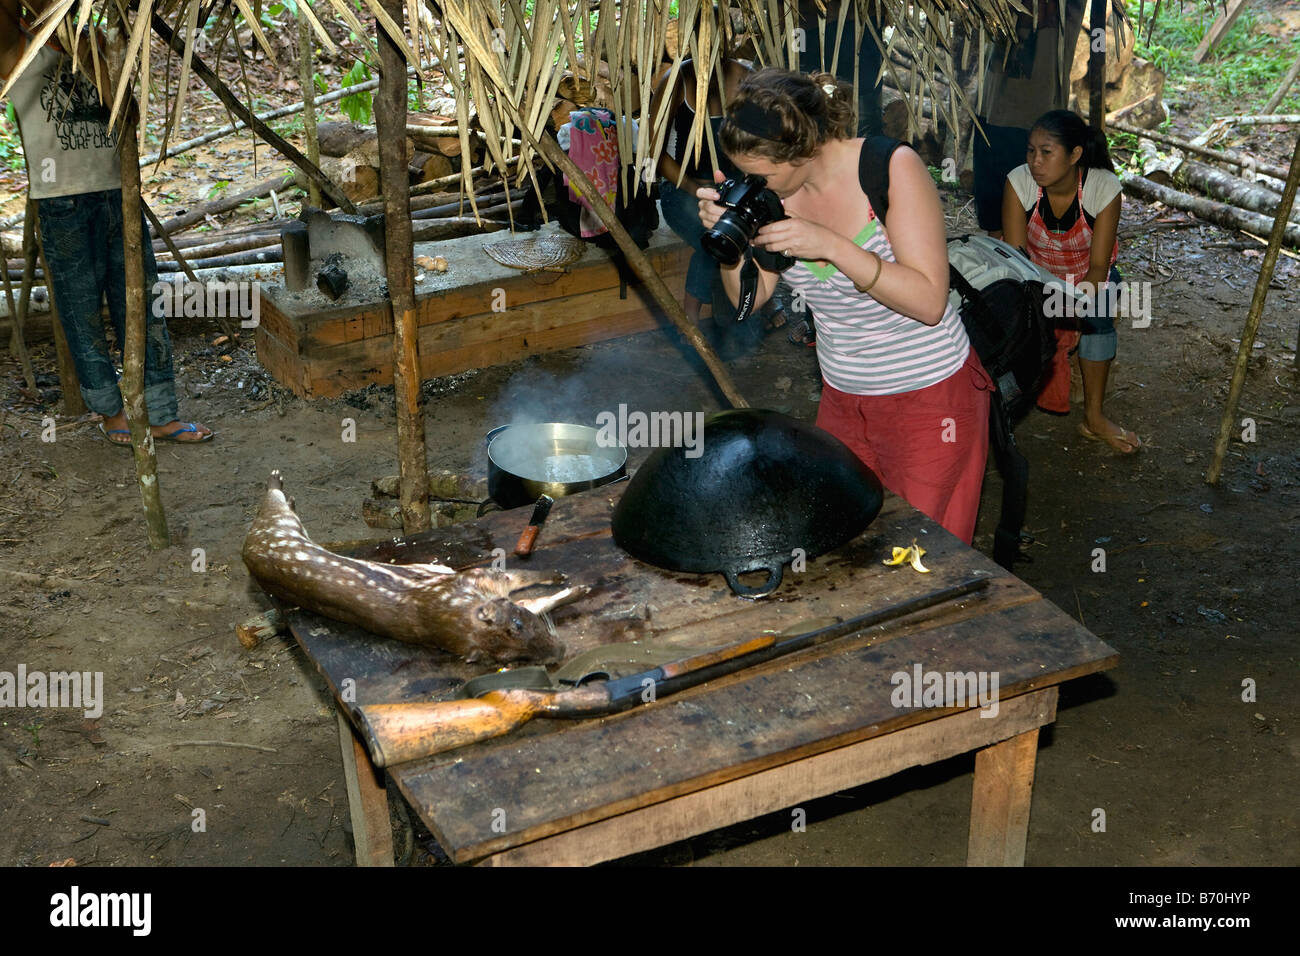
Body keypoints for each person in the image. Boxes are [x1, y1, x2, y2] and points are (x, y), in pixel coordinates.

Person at [699, 68, 993, 544]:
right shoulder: (774, 193)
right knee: (849, 542)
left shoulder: (889, 168)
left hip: (928, 397)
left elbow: (928, 300)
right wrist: (731, 243)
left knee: (921, 552)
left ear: (802, 150)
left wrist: (834, 246)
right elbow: (749, 303)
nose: (749, 185)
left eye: (758, 175)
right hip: (843, 398)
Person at [0, 0, 212, 445]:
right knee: (81, 311)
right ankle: (111, 412)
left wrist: (80, 43)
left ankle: (159, 412)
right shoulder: (16, 46)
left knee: (142, 300)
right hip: (61, 200)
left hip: (118, 190)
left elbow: (127, 110)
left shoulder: (93, 41)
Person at [1001, 109, 1140, 454]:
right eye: (1031, 151)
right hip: (1035, 276)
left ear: (1075, 154)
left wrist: (1072, 307)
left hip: (1088, 278)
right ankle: (998, 414)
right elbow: (1016, 261)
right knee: (1007, 325)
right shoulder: (1018, 182)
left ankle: (1093, 418)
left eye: (1046, 152)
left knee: (1098, 318)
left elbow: (1098, 266)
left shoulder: (1102, 187)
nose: (1035, 161)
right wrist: (1036, 307)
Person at [972, 0, 1086, 238]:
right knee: (994, 203)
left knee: (1030, 206)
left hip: (1034, 111)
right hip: (995, 104)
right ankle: (999, 257)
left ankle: (1023, 261)